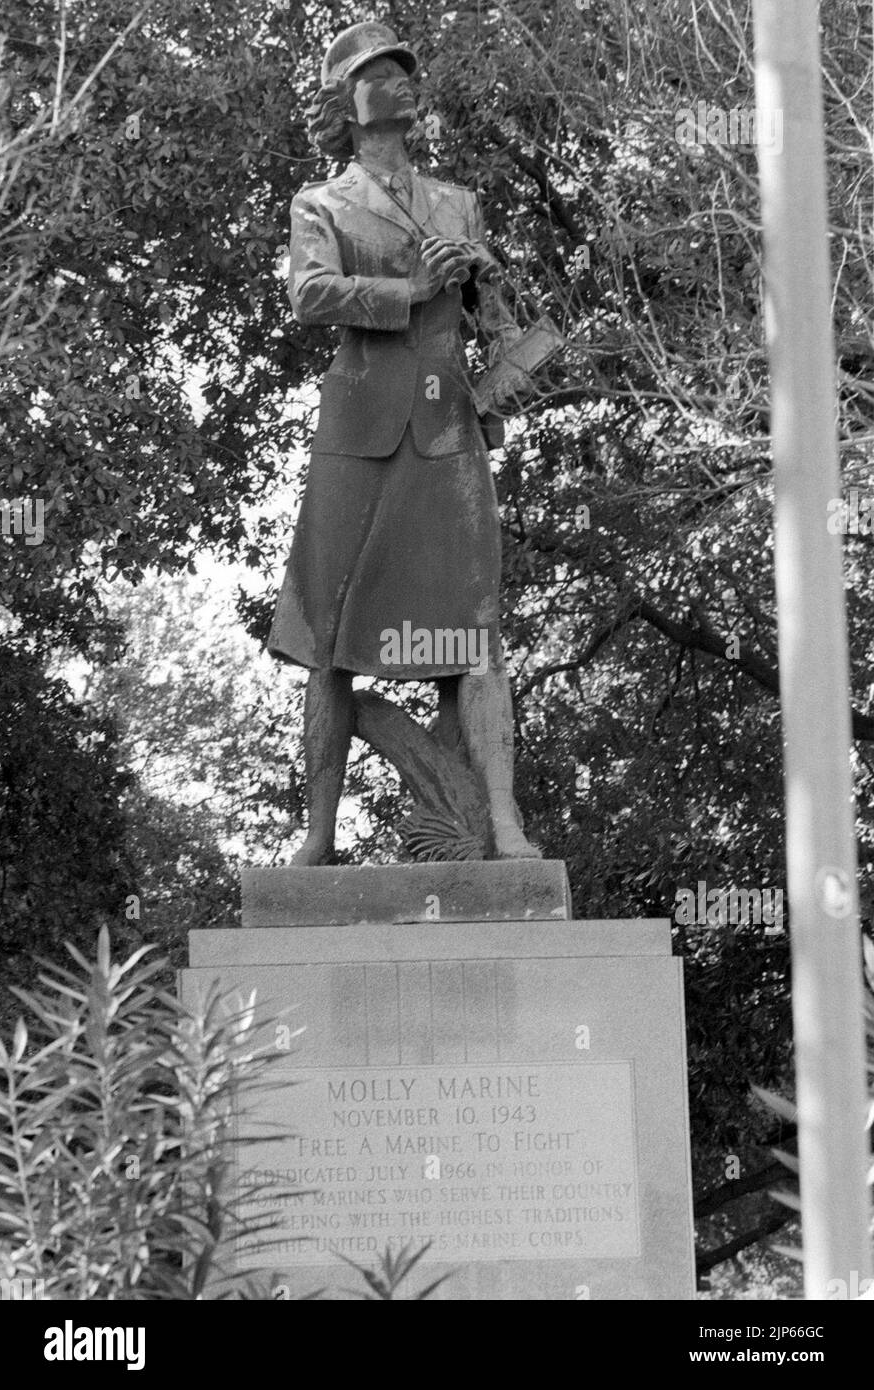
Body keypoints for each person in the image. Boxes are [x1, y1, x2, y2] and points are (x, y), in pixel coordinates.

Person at [269, 21, 540, 865]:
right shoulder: (319, 203)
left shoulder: (458, 202)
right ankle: (319, 836)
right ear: (347, 104)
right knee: (332, 644)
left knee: (476, 634)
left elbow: (499, 324)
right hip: (358, 435)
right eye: (381, 74)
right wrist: (412, 287)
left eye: (406, 71)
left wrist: (491, 288)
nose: (403, 83)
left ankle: (503, 822)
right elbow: (310, 294)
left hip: (450, 431)